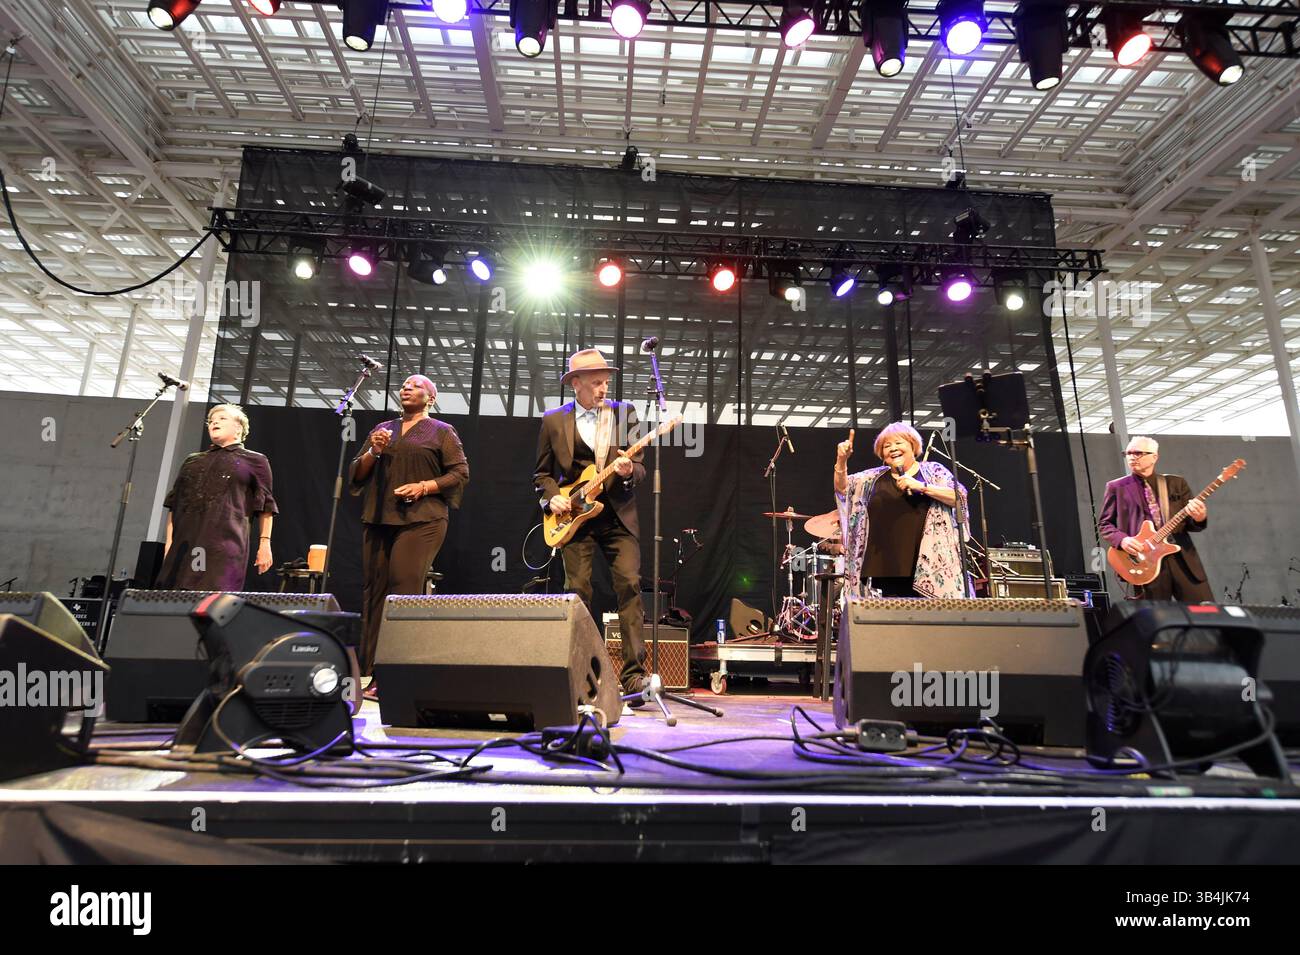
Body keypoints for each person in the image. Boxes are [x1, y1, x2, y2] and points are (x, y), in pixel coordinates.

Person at [533, 349, 648, 698]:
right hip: (574, 519)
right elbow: (542, 475)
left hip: (617, 516)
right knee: (578, 592)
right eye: (596, 383)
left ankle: (634, 677)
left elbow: (640, 467)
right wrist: (550, 496)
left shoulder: (624, 412)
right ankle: (582, 673)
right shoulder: (553, 420)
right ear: (576, 384)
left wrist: (629, 473)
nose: (603, 389)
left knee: (629, 586)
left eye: (606, 382)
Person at [350, 375, 469, 697]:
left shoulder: (442, 431)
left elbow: (460, 472)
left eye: (415, 386)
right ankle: (373, 672)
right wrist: (373, 453)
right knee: (375, 593)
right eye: (403, 385)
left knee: (402, 589)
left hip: (422, 521)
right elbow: (357, 474)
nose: (406, 388)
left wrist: (424, 486)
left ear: (431, 397)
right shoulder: (383, 430)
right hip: (379, 520)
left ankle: (395, 672)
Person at [834, 421, 971, 599]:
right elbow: (843, 489)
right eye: (887, 445)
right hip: (887, 566)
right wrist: (841, 460)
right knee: (896, 623)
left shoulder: (933, 471)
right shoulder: (871, 478)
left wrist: (922, 486)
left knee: (932, 622)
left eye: (899, 443)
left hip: (931, 565)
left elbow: (959, 497)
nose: (893, 448)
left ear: (913, 446)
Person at [159, 403, 277, 592]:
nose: (214, 422)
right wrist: (170, 544)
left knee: (212, 599)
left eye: (222, 419)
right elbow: (175, 504)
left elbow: (266, 505)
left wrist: (265, 544)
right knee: (177, 598)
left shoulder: (255, 461)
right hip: (185, 546)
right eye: (211, 420)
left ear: (238, 428)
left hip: (223, 546)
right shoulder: (192, 461)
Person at [1098, 435, 1210, 601]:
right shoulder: (1116, 487)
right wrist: (1123, 541)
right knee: (1155, 618)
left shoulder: (1176, 483)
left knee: (1205, 613)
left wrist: (1199, 517)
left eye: (1137, 453)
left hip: (1182, 559)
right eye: (1128, 453)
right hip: (1145, 561)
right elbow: (1104, 524)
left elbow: (1191, 524)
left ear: (1154, 457)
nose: (1131, 457)